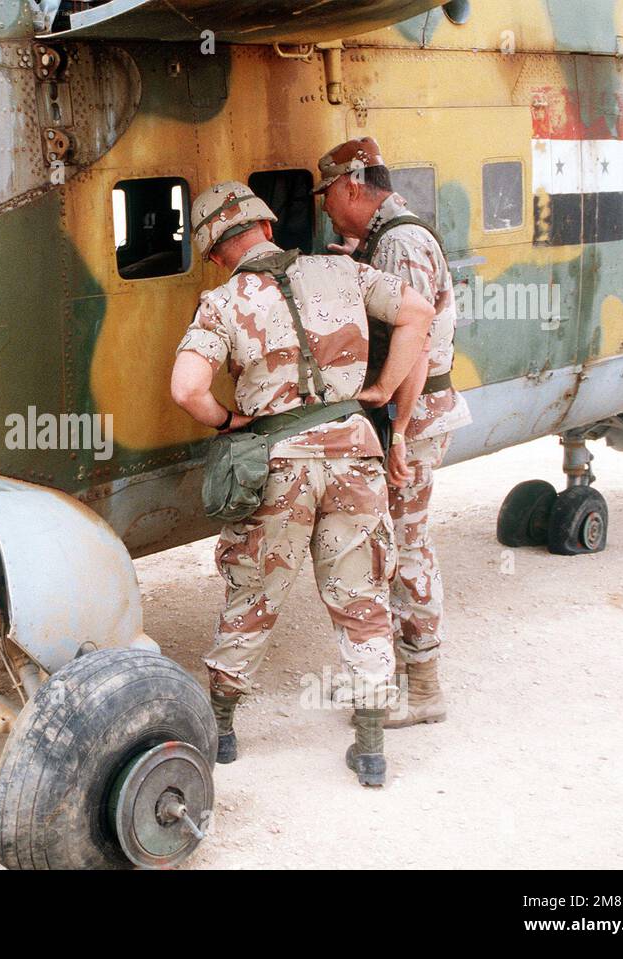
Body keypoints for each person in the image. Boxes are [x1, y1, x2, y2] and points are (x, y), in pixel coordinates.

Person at [170, 181, 435, 785]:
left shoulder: (221, 301)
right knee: (362, 598)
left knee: (254, 596)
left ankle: (225, 731)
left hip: (277, 465)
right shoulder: (343, 272)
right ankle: (370, 749)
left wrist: (230, 420)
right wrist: (382, 391)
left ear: (215, 251)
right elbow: (419, 312)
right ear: (266, 227)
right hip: (354, 456)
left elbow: (186, 389)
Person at [314, 138, 473, 727]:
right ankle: (402, 673)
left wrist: (398, 427)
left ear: (352, 185)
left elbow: (417, 342)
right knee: (394, 545)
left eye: (328, 194)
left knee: (407, 549)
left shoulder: (401, 242)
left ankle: (426, 688)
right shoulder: (389, 238)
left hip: (414, 416)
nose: (326, 207)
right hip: (411, 415)